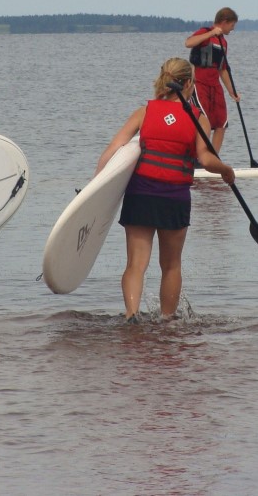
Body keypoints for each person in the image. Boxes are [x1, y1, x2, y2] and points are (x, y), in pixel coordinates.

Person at [96, 57, 235, 322]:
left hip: (141, 194)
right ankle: (168, 322)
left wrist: (94, 186)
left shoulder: (144, 112)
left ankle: (131, 315)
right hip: (174, 197)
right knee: (171, 266)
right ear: (189, 84)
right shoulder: (198, 119)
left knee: (136, 264)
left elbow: (112, 151)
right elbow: (206, 160)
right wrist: (226, 170)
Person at [184, 7, 240, 153]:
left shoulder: (224, 43)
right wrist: (210, 33)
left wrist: (232, 92)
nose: (232, 29)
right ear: (224, 22)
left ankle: (213, 157)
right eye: (232, 25)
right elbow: (188, 43)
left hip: (215, 86)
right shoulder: (205, 32)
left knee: (222, 123)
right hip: (199, 84)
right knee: (204, 122)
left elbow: (222, 69)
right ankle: (200, 156)